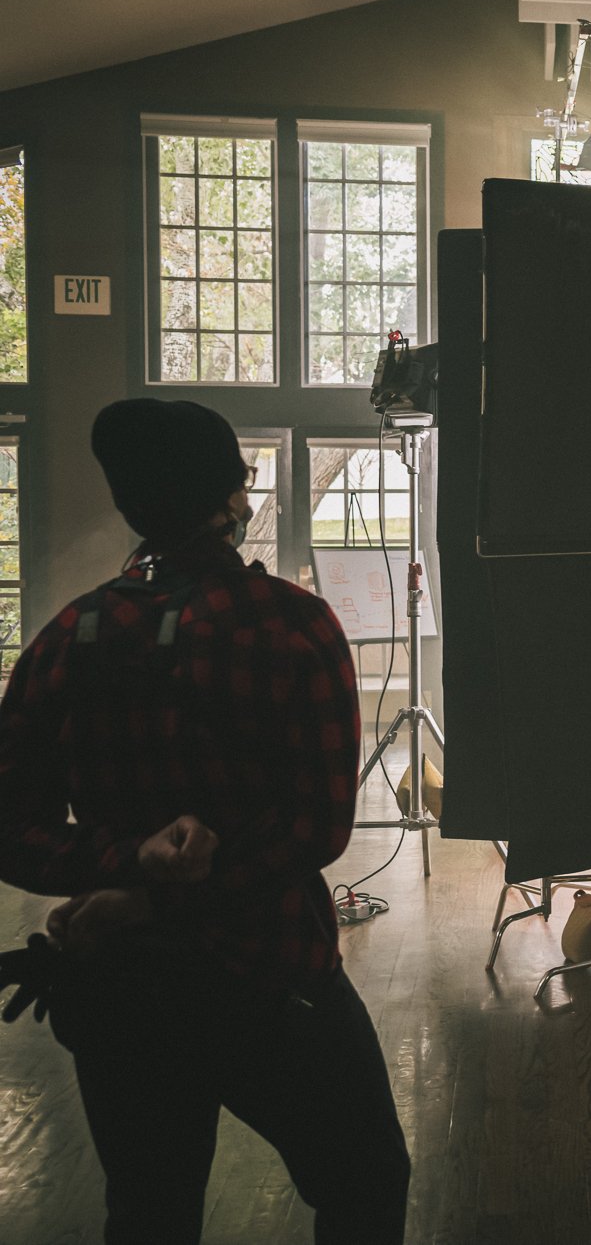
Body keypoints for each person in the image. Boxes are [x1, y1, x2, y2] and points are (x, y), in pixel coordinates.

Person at [0, 399, 409, 1245]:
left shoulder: (66, 638)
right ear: (232, 500)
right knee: (366, 1179)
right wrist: (164, 889)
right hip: (272, 976)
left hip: (119, 990)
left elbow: (11, 828)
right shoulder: (293, 626)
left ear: (129, 507)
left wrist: (123, 861)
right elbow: (318, 827)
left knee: (148, 1213)